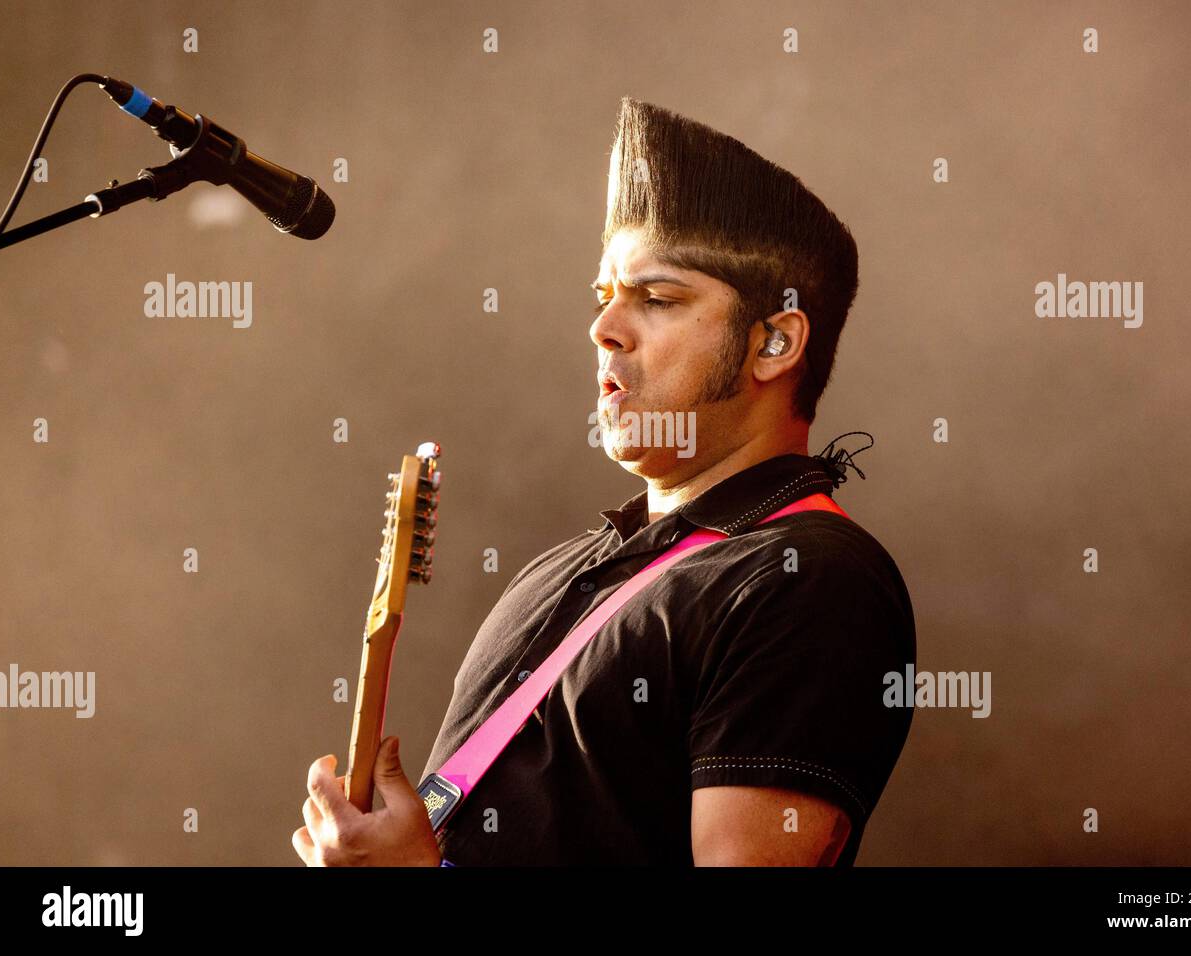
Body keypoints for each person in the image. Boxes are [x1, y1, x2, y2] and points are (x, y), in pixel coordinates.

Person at [293, 97, 916, 867]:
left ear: (776, 340)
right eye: (602, 296)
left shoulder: (810, 577)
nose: (603, 328)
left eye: (657, 299)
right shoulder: (560, 571)